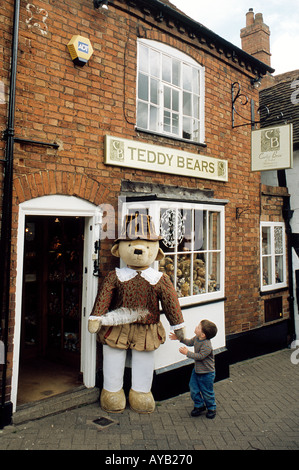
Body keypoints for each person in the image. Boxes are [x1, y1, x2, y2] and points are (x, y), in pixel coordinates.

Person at [169, 319, 217, 419]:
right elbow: (189, 342)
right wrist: (179, 338)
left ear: (203, 334)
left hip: (207, 373)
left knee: (207, 392)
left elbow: (200, 356)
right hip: (197, 371)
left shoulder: (207, 345)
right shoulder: (196, 338)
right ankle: (199, 406)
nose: (196, 327)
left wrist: (187, 353)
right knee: (193, 389)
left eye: (198, 327)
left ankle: (212, 408)